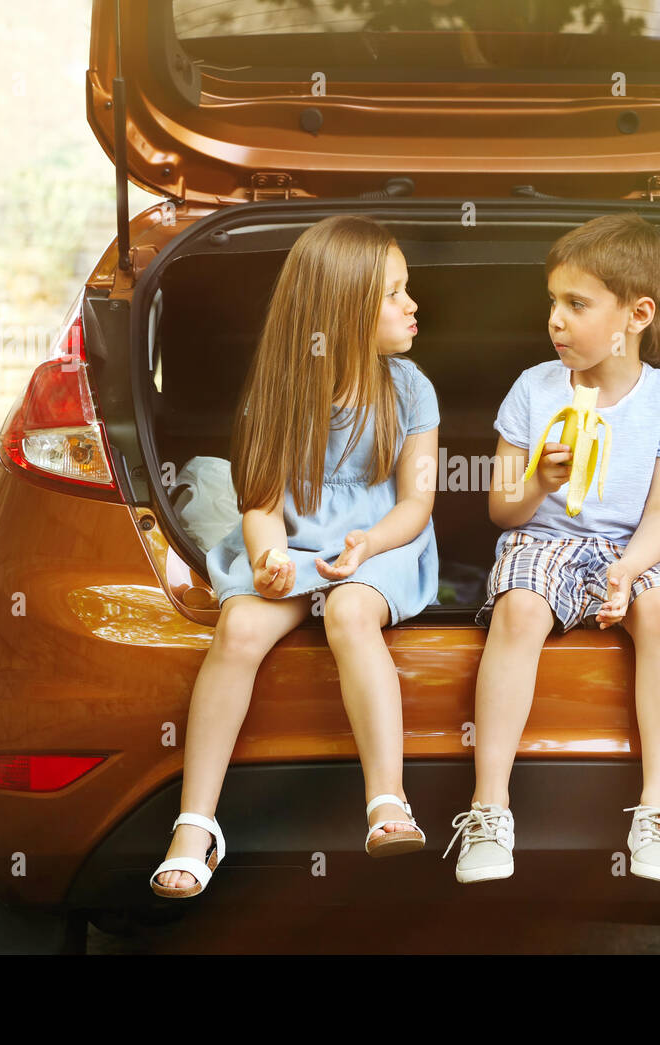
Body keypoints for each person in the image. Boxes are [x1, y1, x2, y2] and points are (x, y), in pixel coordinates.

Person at [150, 214, 441, 897]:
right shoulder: (279, 393)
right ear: (340, 311)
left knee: (349, 611)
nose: (412, 304)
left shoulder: (411, 389)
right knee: (240, 626)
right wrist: (270, 558)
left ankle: (387, 800)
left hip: (383, 544)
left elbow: (417, 503)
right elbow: (259, 504)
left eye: (407, 289)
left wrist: (368, 542)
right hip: (298, 544)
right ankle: (195, 826)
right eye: (394, 293)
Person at [444, 212, 660, 886]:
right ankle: (490, 807)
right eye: (552, 301)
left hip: (626, 543)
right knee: (521, 608)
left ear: (636, 314)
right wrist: (540, 480)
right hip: (544, 536)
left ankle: (658, 812)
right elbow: (502, 509)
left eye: (576, 304)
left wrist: (629, 571)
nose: (556, 319)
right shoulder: (534, 389)